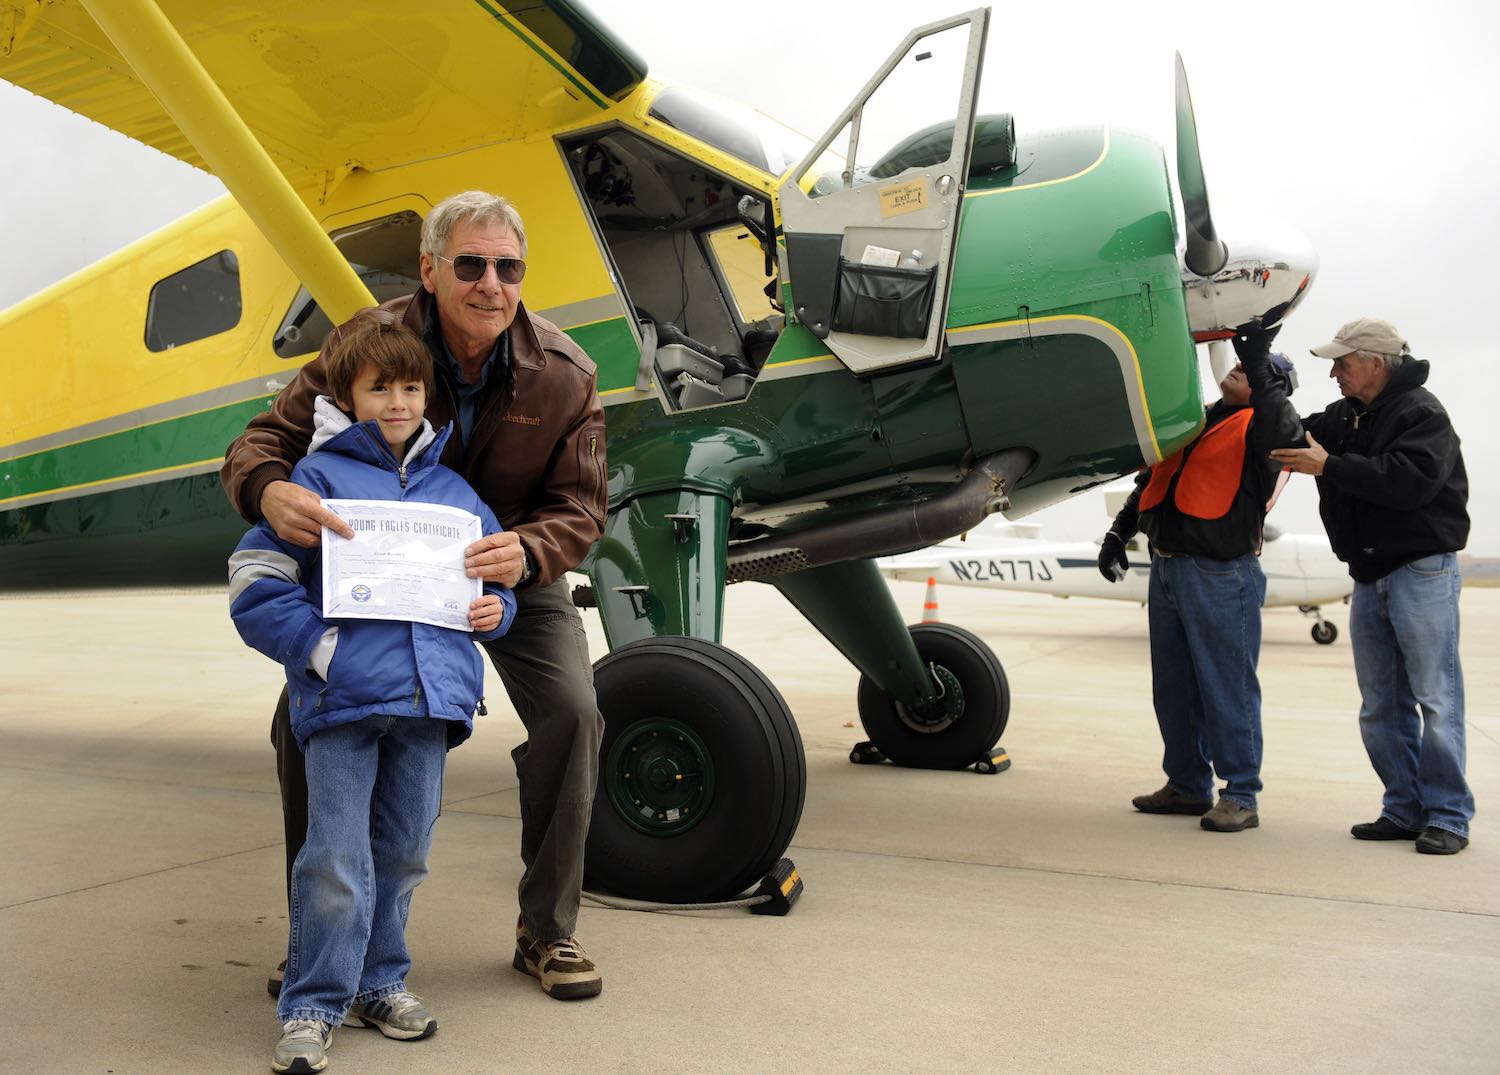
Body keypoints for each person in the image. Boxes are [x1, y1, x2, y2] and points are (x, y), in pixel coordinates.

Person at [222, 191, 609, 999]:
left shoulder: (568, 376)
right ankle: (317, 940)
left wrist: (528, 550)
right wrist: (266, 490)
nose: (491, 284)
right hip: (377, 577)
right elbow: (265, 439)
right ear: (430, 270)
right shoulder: (369, 344)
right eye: (470, 264)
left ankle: (547, 929)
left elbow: (582, 506)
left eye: (509, 268)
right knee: (302, 719)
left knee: (575, 711)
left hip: (498, 567)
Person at [229, 315, 516, 1072]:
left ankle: (381, 981)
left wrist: (498, 609)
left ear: (430, 395)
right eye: (378, 387)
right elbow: (255, 583)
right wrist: (323, 653)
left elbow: (488, 583)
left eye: (411, 385)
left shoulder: (456, 494)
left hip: (429, 709)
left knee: (405, 853)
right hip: (344, 707)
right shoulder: (317, 481)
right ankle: (313, 1002)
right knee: (333, 857)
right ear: (348, 396)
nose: (397, 401)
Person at [1258, 317, 1473, 855]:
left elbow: (1408, 483)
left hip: (1420, 571)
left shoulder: (1422, 413)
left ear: (1377, 363)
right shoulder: (1344, 415)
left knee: (1435, 698)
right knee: (1381, 704)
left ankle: (1448, 816)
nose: (1333, 373)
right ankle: (1403, 809)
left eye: (1343, 363)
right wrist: (1261, 375)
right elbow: (1288, 437)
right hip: (1369, 574)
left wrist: (1328, 465)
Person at [1098, 336, 1301, 832]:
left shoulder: (1266, 431)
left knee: (1226, 686)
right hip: (1167, 566)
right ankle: (1188, 785)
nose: (1237, 368)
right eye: (1241, 363)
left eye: (1254, 369)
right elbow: (1152, 481)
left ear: (1271, 389)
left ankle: (1241, 794)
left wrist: (1260, 361)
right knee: (1173, 687)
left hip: (1221, 572)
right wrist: (1118, 532)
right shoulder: (1197, 418)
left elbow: (1287, 431)